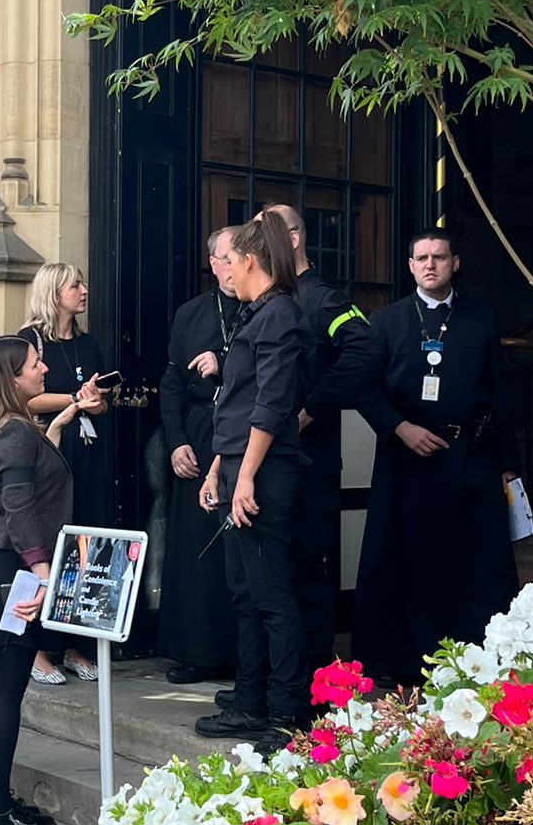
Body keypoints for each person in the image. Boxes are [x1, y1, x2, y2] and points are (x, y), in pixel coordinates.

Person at [353, 229, 520, 687]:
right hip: (406, 462)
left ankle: (479, 660)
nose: (430, 265)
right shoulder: (386, 322)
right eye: (422, 258)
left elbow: (501, 393)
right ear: (410, 266)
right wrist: (399, 428)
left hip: (470, 456)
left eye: (439, 257)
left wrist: (507, 464)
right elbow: (364, 390)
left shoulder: (481, 318)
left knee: (478, 561)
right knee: (406, 560)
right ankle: (403, 663)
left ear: (455, 263)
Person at [0, 335, 86, 825]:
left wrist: (55, 428)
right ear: (12, 378)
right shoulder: (14, 431)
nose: (44, 369)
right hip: (12, 568)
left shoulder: (4, 425)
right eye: (35, 364)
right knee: (6, 687)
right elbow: (18, 506)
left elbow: (26, 481)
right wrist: (42, 572)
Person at [195, 210, 308, 744]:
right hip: (239, 467)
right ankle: (249, 701)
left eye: (230, 261)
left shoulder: (280, 314)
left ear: (248, 260)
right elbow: (236, 405)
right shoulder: (256, 313)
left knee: (273, 597)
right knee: (245, 594)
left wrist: (245, 479)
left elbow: (271, 405)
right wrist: (219, 468)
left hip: (263, 473)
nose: (224, 271)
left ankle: (285, 714)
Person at [261, 204, 374, 672]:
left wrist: (312, 407)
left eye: (265, 235)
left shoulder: (321, 297)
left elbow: (364, 347)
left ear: (292, 239)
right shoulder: (272, 299)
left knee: (309, 569)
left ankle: (316, 677)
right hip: (274, 464)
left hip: (313, 462)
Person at [157, 226, 241, 682]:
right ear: (213, 263)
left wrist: (223, 365)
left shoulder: (263, 307)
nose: (232, 267)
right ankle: (195, 651)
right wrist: (176, 442)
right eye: (225, 259)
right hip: (198, 436)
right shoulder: (191, 313)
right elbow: (172, 383)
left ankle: (243, 657)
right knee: (195, 550)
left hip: (244, 439)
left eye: (239, 257)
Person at [18, 263, 109, 686]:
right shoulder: (30, 340)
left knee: (85, 546)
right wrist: (73, 398)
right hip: (51, 450)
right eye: (76, 285)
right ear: (55, 293)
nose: (84, 290)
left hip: (87, 453)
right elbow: (24, 399)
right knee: (48, 543)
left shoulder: (88, 344)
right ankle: (36, 648)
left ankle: (74, 644)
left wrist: (93, 401)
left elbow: (102, 405)